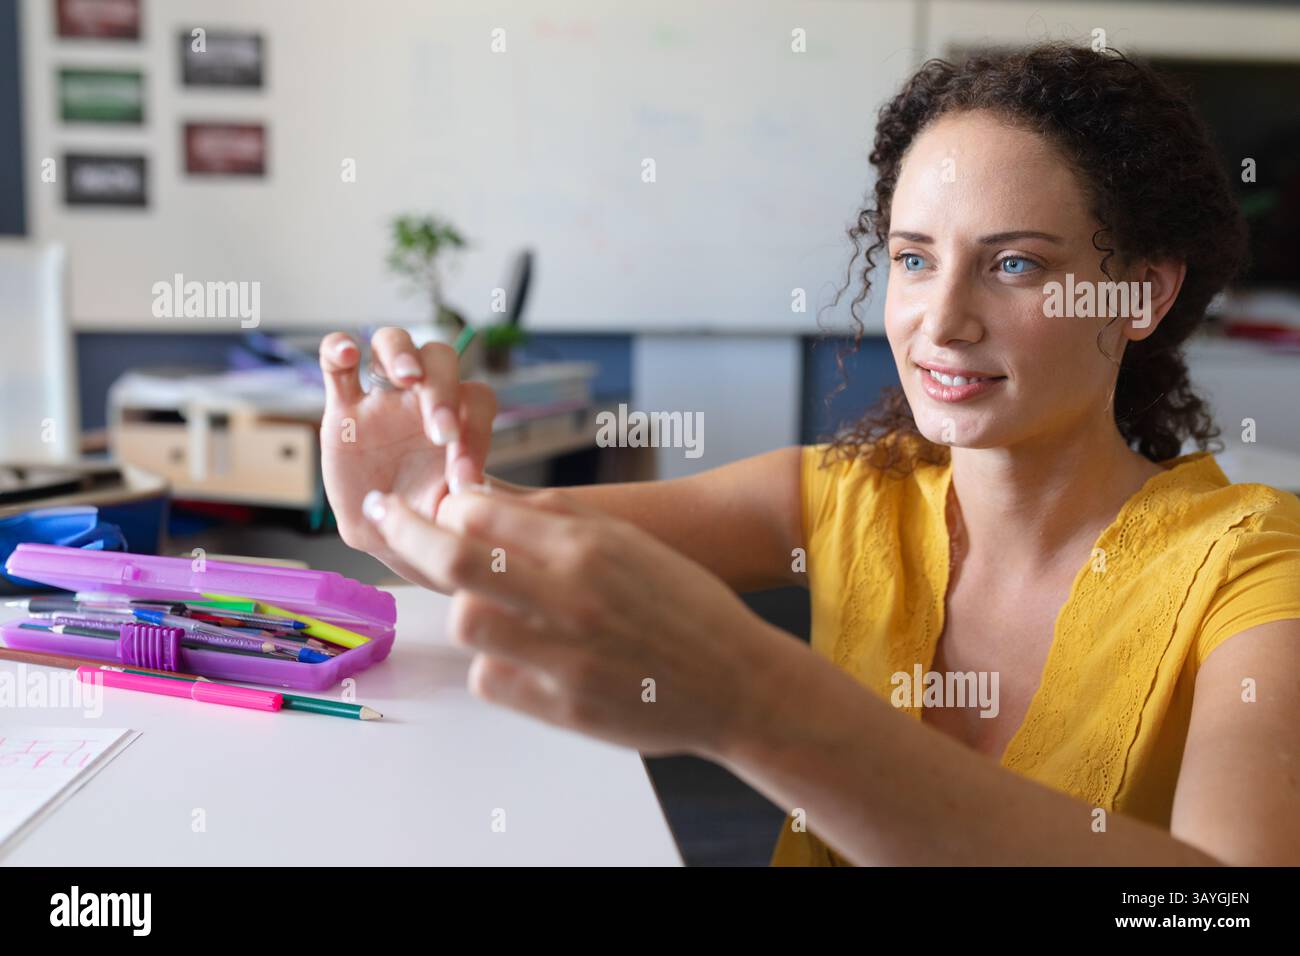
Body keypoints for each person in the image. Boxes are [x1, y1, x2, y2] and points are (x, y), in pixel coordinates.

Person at [317, 45, 1300, 866]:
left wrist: (756, 703)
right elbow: (511, 545)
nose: (941, 322)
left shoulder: (1254, 568)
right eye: (913, 258)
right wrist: (424, 493)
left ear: (1141, 296)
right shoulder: (842, 497)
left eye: (1015, 265)